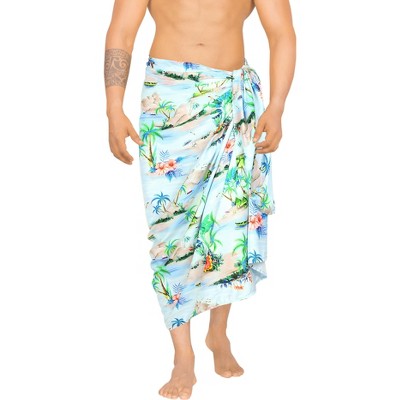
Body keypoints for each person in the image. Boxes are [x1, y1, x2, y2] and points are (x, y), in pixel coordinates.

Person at [104, 0, 296, 398]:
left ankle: (218, 333)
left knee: (226, 224)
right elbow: (122, 32)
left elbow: (281, 34)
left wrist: (277, 105)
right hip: (168, 101)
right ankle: (183, 356)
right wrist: (112, 108)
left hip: (231, 101)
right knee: (169, 231)